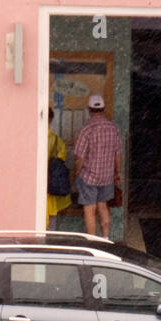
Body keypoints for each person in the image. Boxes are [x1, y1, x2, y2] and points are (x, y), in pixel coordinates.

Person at [73, 94, 122, 239]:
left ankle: (92, 242)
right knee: (103, 206)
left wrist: (76, 173)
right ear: (103, 109)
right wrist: (117, 173)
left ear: (89, 109)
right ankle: (106, 239)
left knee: (90, 209)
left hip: (89, 176)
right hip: (106, 177)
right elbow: (117, 154)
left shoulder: (86, 129)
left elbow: (79, 158)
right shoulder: (113, 128)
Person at [47, 128, 73, 229]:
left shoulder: (32, 138)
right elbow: (62, 157)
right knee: (52, 212)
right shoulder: (57, 140)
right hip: (52, 182)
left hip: (36, 182)